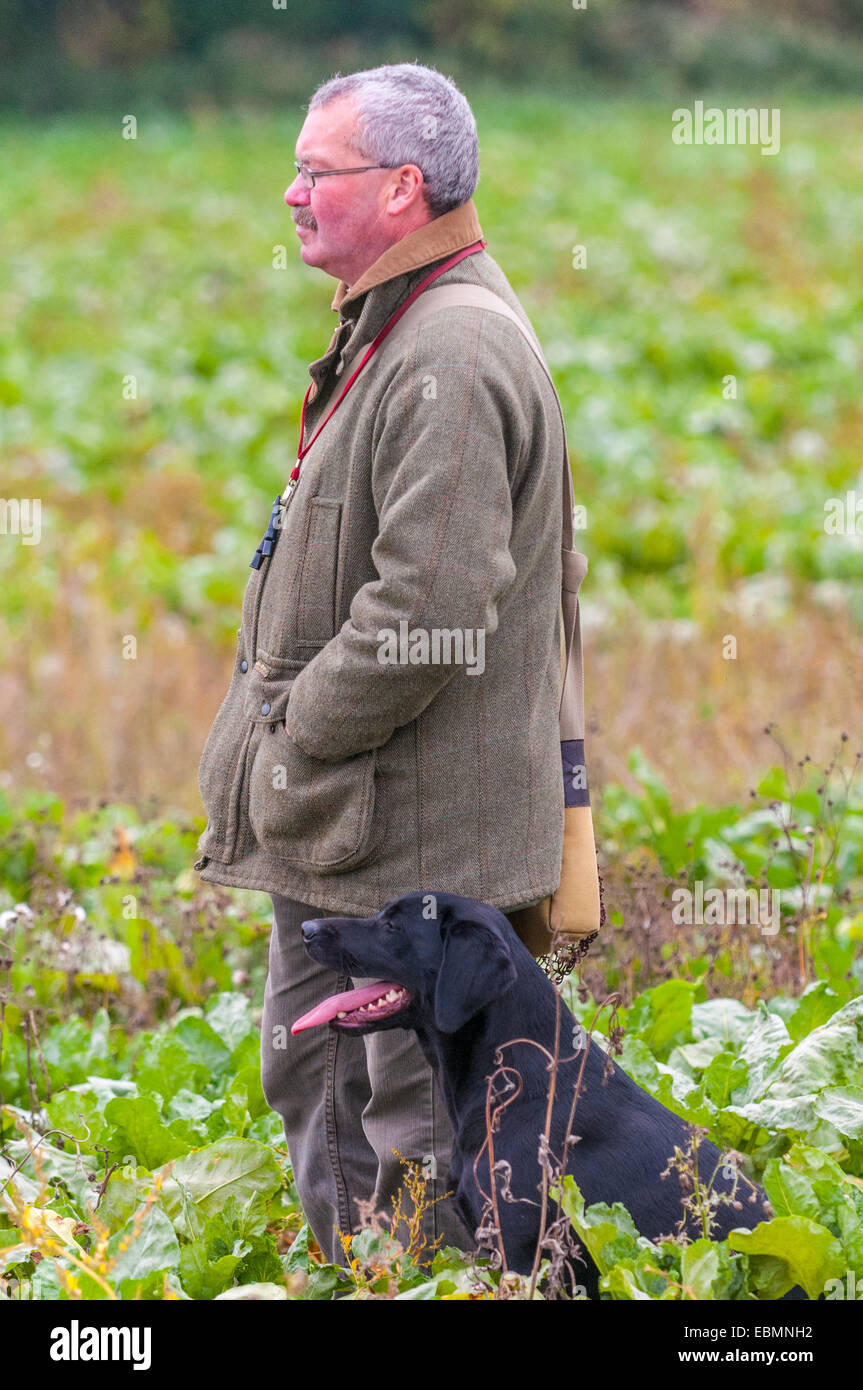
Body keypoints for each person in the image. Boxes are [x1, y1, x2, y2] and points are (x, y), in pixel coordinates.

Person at [194, 61, 568, 1268]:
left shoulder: (446, 350)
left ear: (403, 189)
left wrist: (296, 732)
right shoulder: (408, 322)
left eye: (319, 172)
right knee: (331, 1101)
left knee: (401, 1138)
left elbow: (433, 603)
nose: (291, 194)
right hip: (367, 822)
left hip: (397, 837)